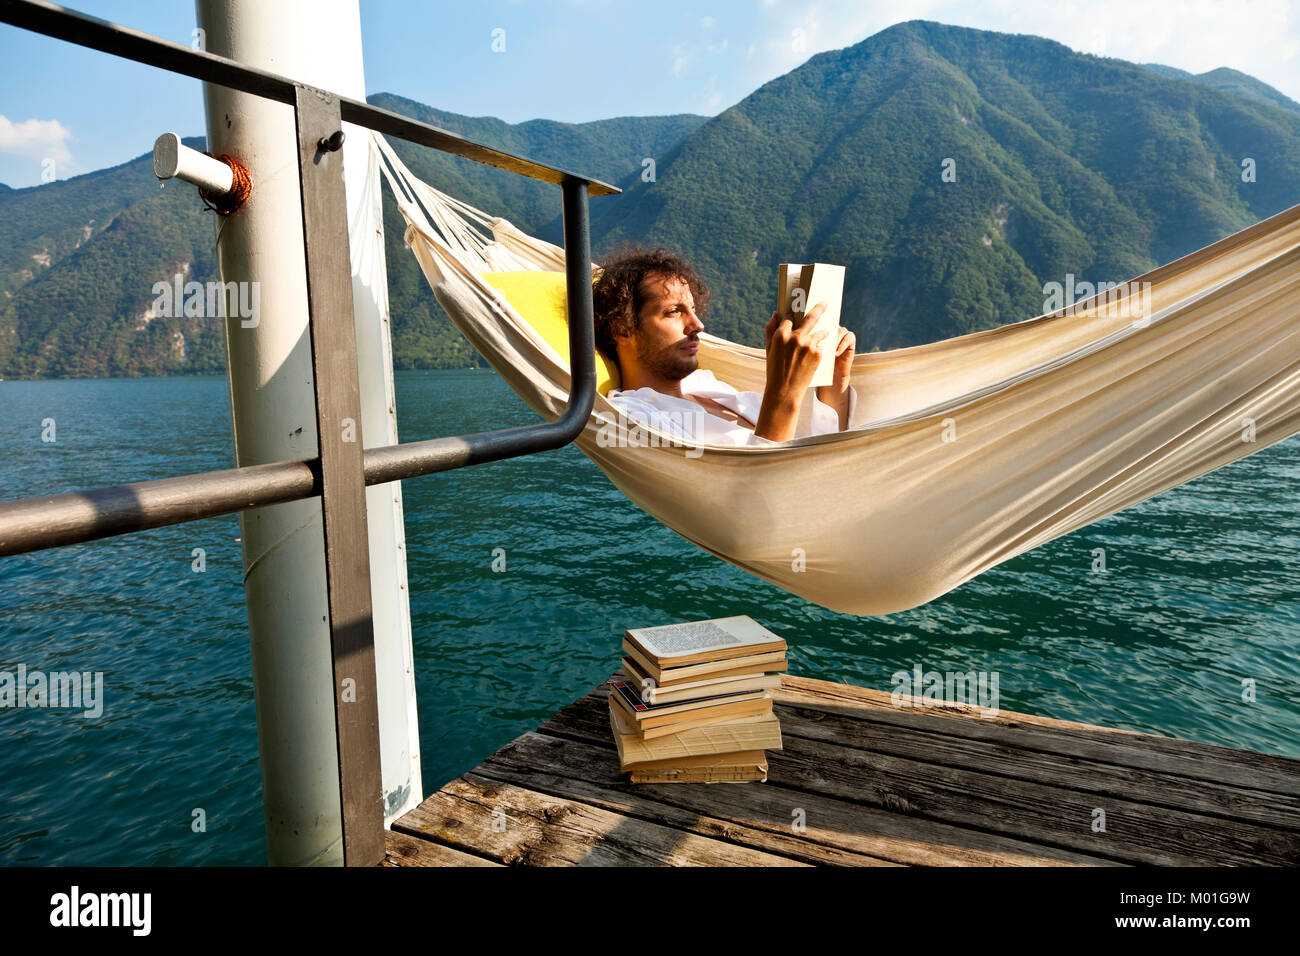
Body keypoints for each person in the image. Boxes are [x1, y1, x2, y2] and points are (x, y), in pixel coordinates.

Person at [593, 247, 856, 446]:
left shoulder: (710, 387)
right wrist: (784, 389)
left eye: (694, 310)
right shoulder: (631, 419)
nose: (697, 325)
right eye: (674, 312)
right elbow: (763, 493)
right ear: (622, 329)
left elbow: (817, 463)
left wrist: (834, 380)